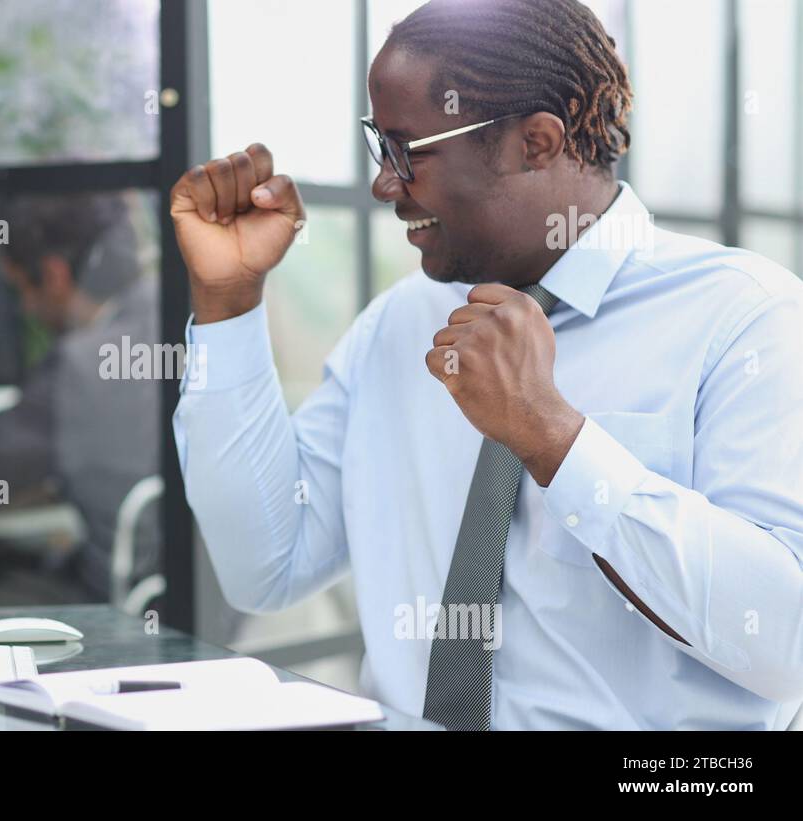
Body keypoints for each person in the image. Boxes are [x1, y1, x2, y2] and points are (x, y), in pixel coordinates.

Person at [171, 0, 803, 729]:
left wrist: (557, 441)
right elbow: (265, 565)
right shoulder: (398, 326)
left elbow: (785, 644)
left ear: (536, 142)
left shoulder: (747, 320)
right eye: (380, 145)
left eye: (408, 150)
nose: (384, 183)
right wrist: (228, 302)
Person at [0, 192, 160, 607]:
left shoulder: (82, 367)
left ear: (53, 276)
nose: (26, 307)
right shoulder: (179, 315)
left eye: (20, 289)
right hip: (201, 605)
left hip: (127, 606)